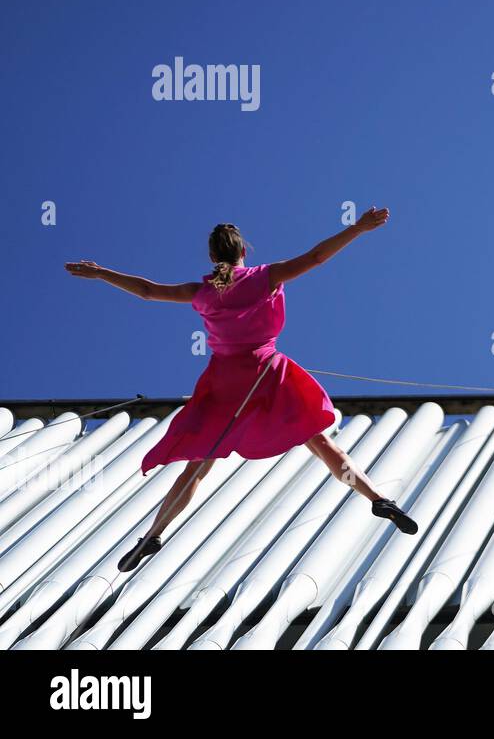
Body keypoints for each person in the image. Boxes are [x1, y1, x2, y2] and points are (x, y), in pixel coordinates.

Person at [65, 209, 419, 572]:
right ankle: (377, 497)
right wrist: (357, 229)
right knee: (322, 442)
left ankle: (155, 532)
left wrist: (100, 272)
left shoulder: (200, 291)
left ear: (212, 258)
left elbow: (147, 291)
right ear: (243, 253)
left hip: (226, 383)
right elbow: (316, 257)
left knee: (198, 465)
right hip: (269, 372)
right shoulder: (267, 276)